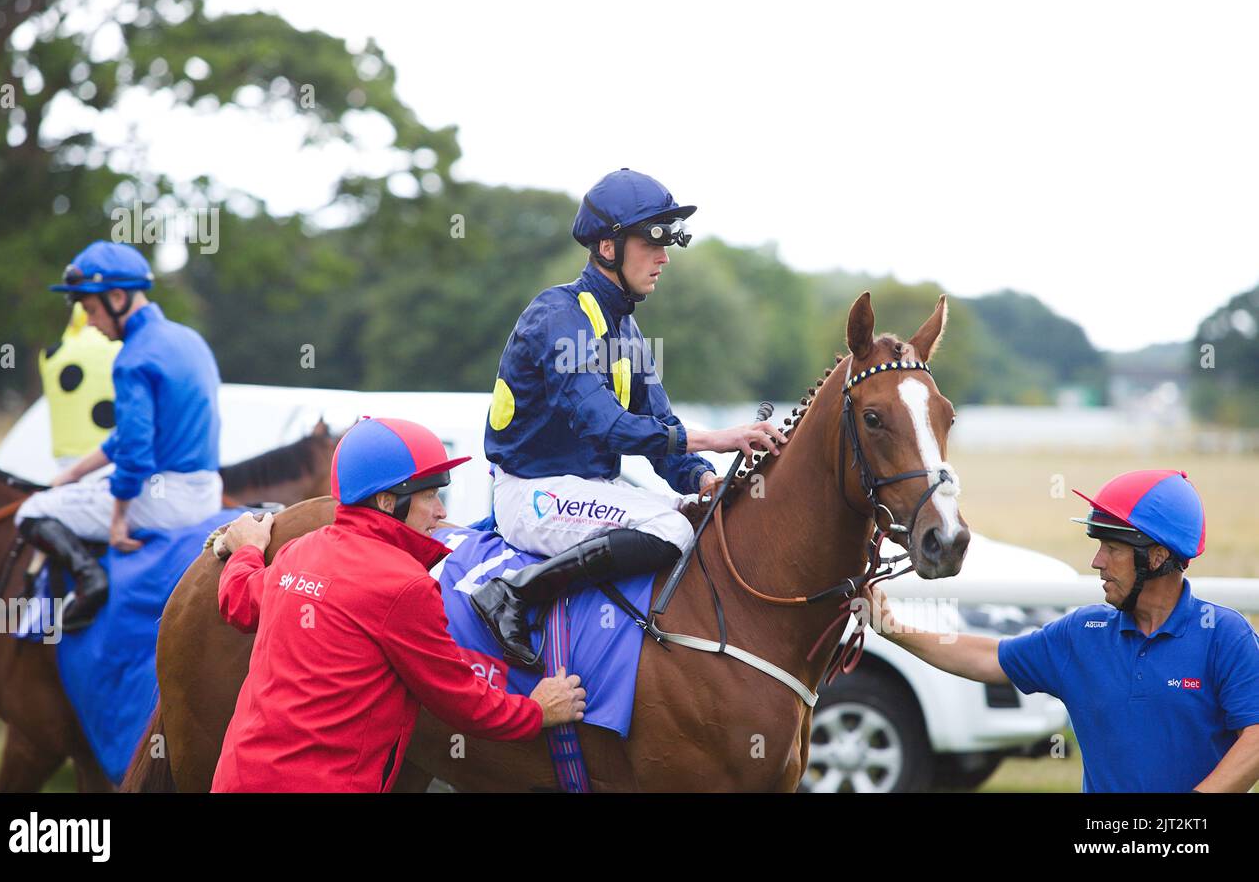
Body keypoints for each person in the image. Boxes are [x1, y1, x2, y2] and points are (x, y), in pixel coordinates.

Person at [472, 167, 788, 667]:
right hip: (530, 494)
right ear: (607, 246)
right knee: (672, 530)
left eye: (669, 242)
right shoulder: (557, 316)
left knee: (694, 517)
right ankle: (513, 595)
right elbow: (607, 426)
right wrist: (714, 439)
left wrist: (704, 481)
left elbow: (660, 431)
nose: (664, 257)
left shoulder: (629, 333)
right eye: (652, 240)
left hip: (588, 491)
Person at [211, 417, 586, 793]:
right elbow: (460, 700)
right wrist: (537, 712)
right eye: (429, 496)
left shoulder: (299, 551)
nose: (440, 512)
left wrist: (248, 548)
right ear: (388, 501)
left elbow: (239, 602)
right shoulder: (405, 586)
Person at [863, 469, 1259, 792]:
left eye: (1113, 548)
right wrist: (894, 629)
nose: (1096, 561)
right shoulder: (1082, 634)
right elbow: (987, 657)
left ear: (1157, 557)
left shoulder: (1226, 637)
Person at [14, 240, 222, 630]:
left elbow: (135, 453)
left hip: (166, 500)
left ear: (117, 297)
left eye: (91, 310)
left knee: (32, 510)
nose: (90, 322)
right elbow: (131, 436)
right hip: (207, 489)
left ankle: (91, 582)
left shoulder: (132, 358)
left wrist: (117, 520)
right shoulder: (189, 340)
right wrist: (72, 474)